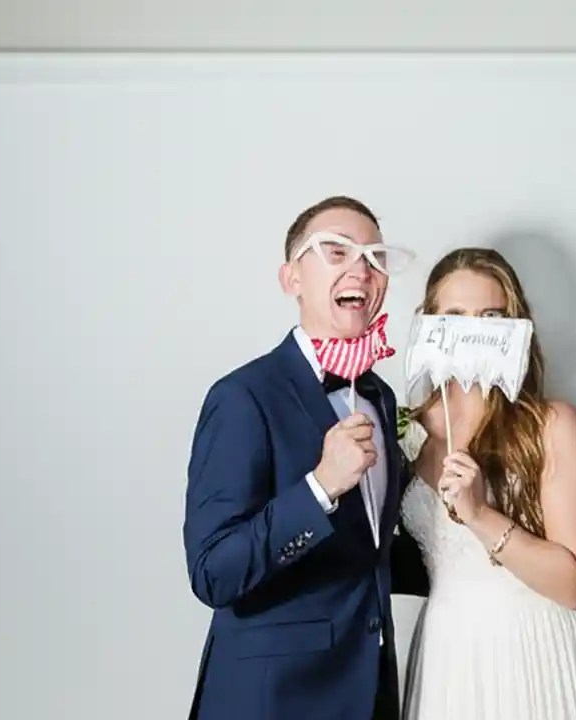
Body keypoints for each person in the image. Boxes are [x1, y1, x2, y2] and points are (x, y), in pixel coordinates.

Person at [183, 195, 429, 720]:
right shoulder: (242, 397)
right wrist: (320, 487)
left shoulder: (381, 399)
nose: (361, 271)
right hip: (271, 699)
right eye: (337, 253)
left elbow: (370, 556)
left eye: (374, 258)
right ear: (291, 278)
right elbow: (213, 574)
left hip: (368, 694)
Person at [397, 248, 576, 719]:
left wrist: (481, 516)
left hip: (536, 648)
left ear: (515, 327)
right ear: (429, 324)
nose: (472, 331)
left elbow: (574, 584)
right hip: (448, 656)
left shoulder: (551, 425)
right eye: (455, 316)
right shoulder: (403, 432)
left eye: (490, 316)